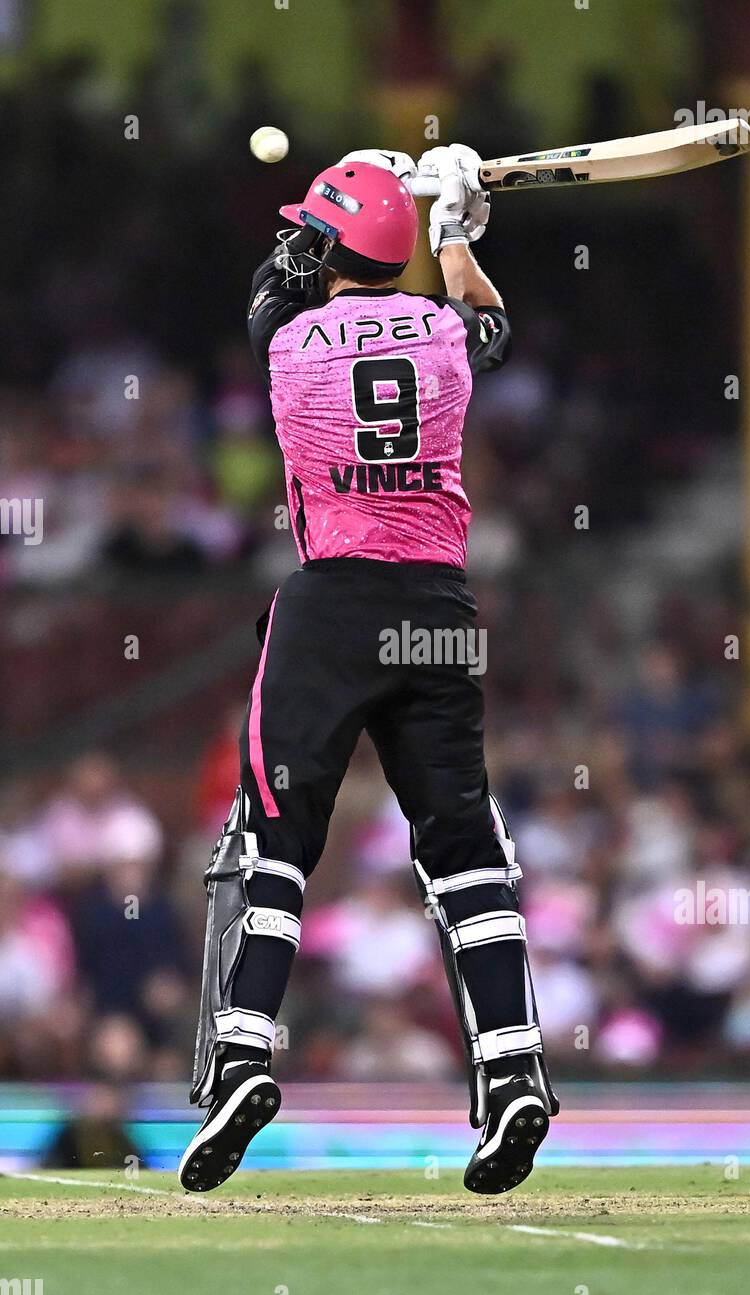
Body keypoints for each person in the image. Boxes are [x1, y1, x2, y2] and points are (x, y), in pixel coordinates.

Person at [179, 145, 558, 1196]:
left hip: (331, 605)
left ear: (333, 246)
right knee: (462, 846)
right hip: (436, 608)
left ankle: (245, 1053)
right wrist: (454, 228)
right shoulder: (444, 333)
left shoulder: (288, 341)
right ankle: (512, 1066)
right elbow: (489, 323)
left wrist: (399, 205)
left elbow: (278, 276)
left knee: (276, 839)